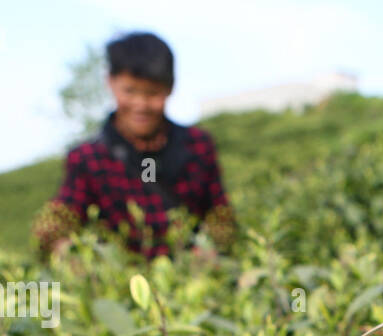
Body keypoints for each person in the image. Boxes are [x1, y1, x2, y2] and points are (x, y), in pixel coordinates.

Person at [32, 32, 237, 261]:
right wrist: (67, 252)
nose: (141, 105)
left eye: (152, 93)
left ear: (170, 88)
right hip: (121, 287)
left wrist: (212, 251)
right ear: (110, 82)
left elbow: (221, 216)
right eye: (130, 91)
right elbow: (56, 223)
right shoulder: (88, 159)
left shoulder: (198, 146)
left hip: (189, 282)